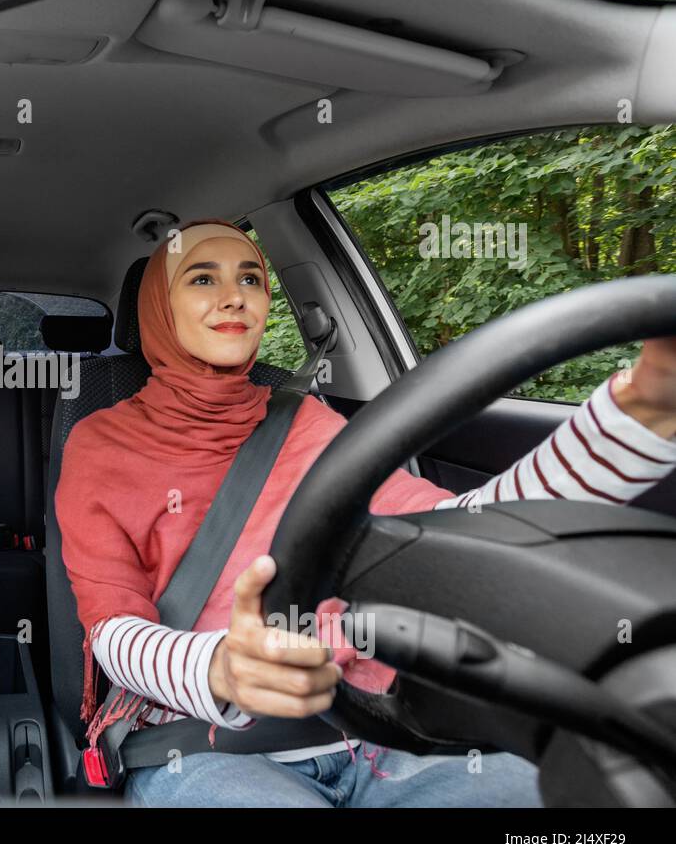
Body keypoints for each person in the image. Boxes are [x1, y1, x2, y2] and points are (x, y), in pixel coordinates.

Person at [55, 220, 676, 807]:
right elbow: (110, 630)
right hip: (204, 742)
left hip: (374, 723)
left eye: (250, 277)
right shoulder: (101, 443)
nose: (235, 296)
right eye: (202, 278)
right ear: (160, 307)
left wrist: (631, 422)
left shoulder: (304, 419)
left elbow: (451, 528)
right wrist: (219, 667)